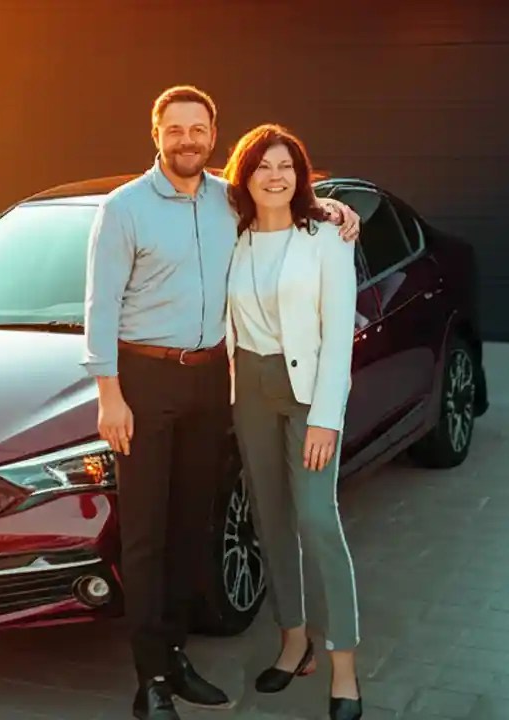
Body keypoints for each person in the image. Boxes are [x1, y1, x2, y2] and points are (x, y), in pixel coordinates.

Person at [82, 86, 359, 720]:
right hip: (145, 382)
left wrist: (340, 211)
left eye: (198, 129)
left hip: (211, 384)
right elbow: (99, 308)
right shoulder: (123, 209)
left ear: (213, 136)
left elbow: (286, 199)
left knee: (191, 527)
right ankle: (150, 678)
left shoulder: (224, 200)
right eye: (175, 129)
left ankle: (175, 656)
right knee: (148, 534)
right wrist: (110, 395)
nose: (187, 140)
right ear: (156, 134)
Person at [222, 123, 363, 720]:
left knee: (315, 517)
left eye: (286, 167)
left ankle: (344, 667)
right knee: (270, 517)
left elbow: (338, 339)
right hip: (249, 388)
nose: (275, 176)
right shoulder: (232, 233)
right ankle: (293, 641)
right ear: (245, 177)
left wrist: (326, 419)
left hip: (308, 393)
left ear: (301, 177)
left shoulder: (327, 236)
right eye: (263, 167)